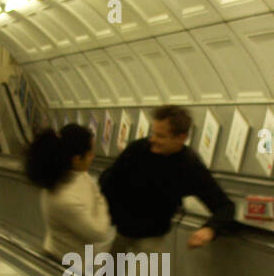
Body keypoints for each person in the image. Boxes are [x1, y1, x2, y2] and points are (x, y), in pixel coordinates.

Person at [98, 104, 235, 257]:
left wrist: (210, 229)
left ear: (181, 138)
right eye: (153, 133)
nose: (153, 140)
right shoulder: (138, 150)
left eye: (161, 136)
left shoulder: (189, 166)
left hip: (150, 236)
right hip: (116, 229)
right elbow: (108, 181)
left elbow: (225, 206)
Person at [24, 124, 113, 259]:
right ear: (77, 159)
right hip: (63, 265)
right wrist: (101, 201)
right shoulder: (64, 199)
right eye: (90, 153)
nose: (93, 157)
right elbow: (99, 232)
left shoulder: (77, 174)